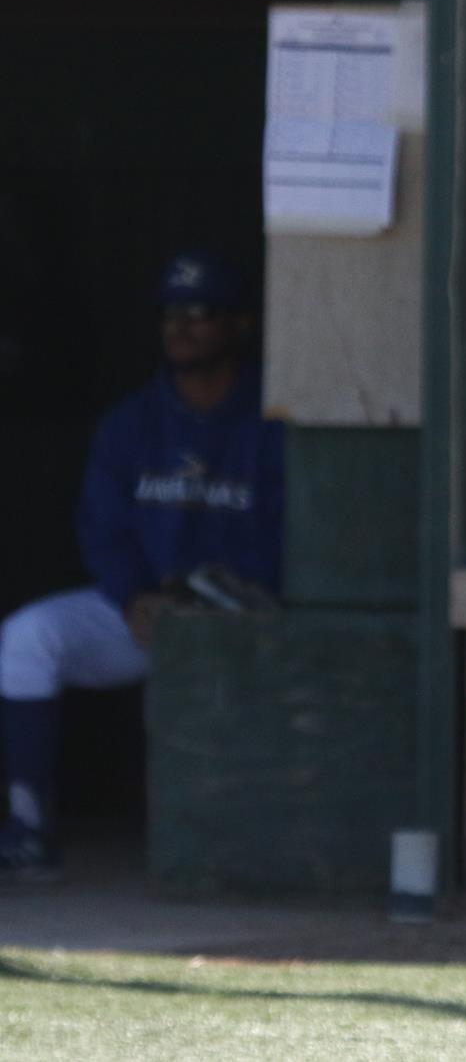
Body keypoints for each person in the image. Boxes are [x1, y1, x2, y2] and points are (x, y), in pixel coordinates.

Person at [0, 250, 284, 880]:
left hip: (239, 620)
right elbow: (102, 528)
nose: (181, 328)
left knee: (184, 694)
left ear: (238, 324)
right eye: (170, 315)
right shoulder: (131, 423)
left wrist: (226, 595)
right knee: (26, 638)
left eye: (200, 313)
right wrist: (132, 595)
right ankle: (29, 830)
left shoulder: (275, 419)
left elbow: (295, 531)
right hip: (148, 613)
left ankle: (205, 854)